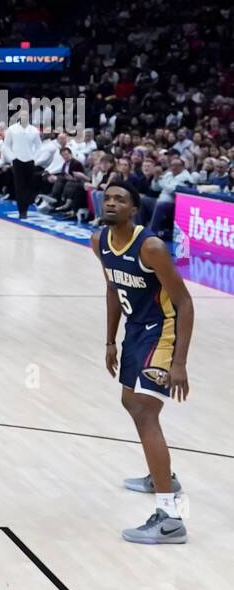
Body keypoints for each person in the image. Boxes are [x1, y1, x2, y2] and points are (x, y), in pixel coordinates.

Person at [94, 184, 194, 545]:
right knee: (130, 402)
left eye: (120, 199)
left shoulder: (150, 247)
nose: (112, 203)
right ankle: (160, 474)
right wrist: (109, 340)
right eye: (108, 198)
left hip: (162, 331)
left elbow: (184, 302)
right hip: (135, 329)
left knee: (146, 411)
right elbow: (112, 290)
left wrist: (179, 362)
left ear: (134, 209)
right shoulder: (99, 241)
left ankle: (170, 518)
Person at [4, 109, 41, 219]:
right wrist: (12, 158)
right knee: (19, 186)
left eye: (26, 115)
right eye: (22, 115)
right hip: (17, 161)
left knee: (29, 186)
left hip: (30, 160)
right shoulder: (12, 129)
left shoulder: (34, 130)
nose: (24, 117)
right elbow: (6, 145)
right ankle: (22, 211)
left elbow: (38, 146)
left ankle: (27, 204)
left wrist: (34, 157)